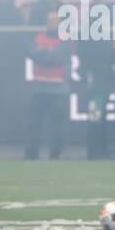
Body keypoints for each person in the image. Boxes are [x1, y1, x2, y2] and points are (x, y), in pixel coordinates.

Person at [24, 11, 69, 160]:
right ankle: (31, 153)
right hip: (39, 86)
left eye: (56, 20)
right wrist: (50, 53)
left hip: (58, 88)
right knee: (34, 124)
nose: (52, 23)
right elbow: (30, 52)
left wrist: (42, 53)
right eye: (50, 20)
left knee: (58, 126)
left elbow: (60, 57)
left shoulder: (65, 38)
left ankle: (55, 154)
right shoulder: (38, 37)